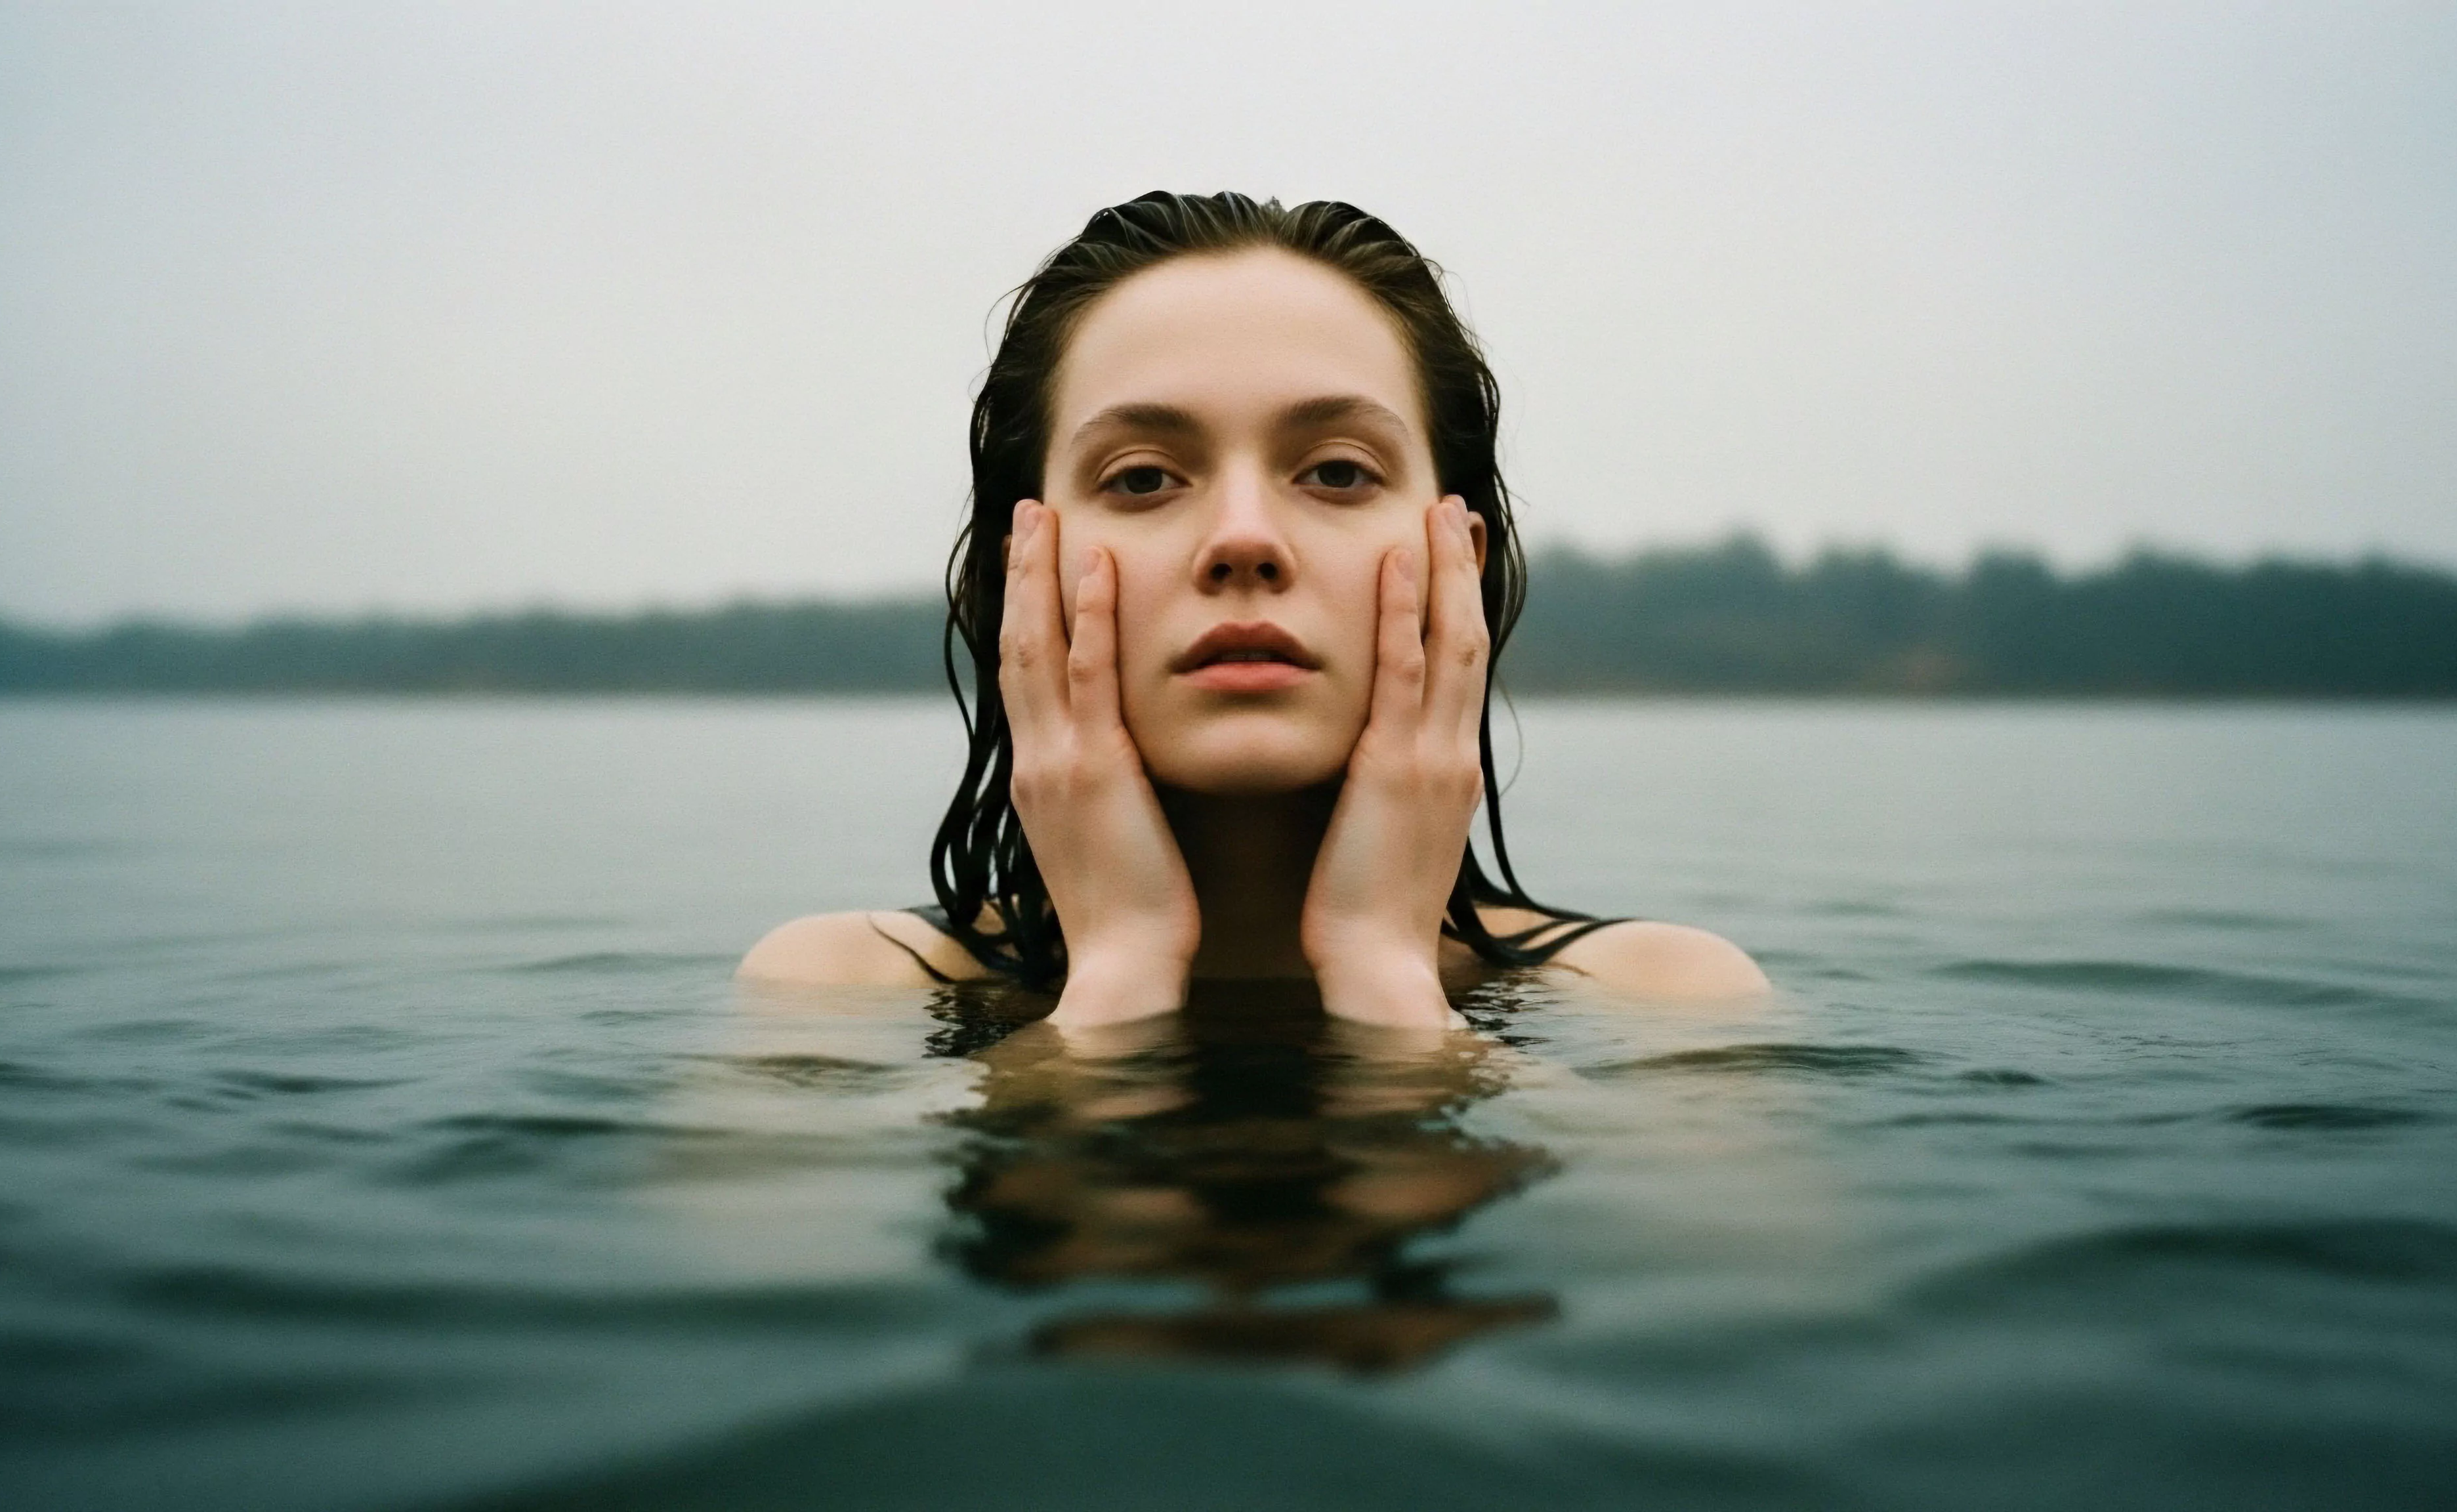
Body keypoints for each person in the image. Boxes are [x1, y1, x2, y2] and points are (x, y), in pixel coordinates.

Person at [740, 192, 1765, 1029]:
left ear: (1460, 559)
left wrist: (1383, 972)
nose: (1243, 539)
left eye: (1337, 471)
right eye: (1143, 479)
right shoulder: (833, 990)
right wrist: (1121, 970)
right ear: (1023, 572)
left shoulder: (1666, 998)